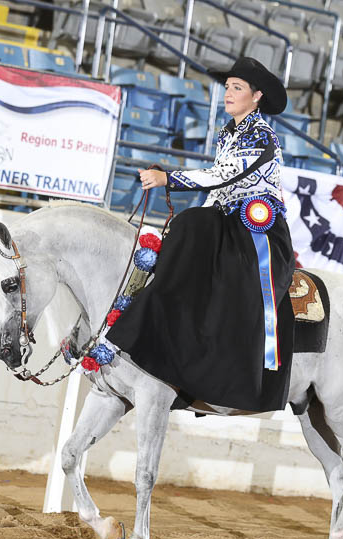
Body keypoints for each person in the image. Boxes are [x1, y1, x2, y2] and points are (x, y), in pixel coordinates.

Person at [106, 57, 295, 413]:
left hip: (259, 231)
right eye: (228, 87)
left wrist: (169, 179)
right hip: (227, 220)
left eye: (237, 88)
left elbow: (223, 175)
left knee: (216, 259)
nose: (228, 93)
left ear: (256, 97)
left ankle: (224, 366)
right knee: (189, 226)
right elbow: (219, 190)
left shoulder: (262, 135)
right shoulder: (229, 132)